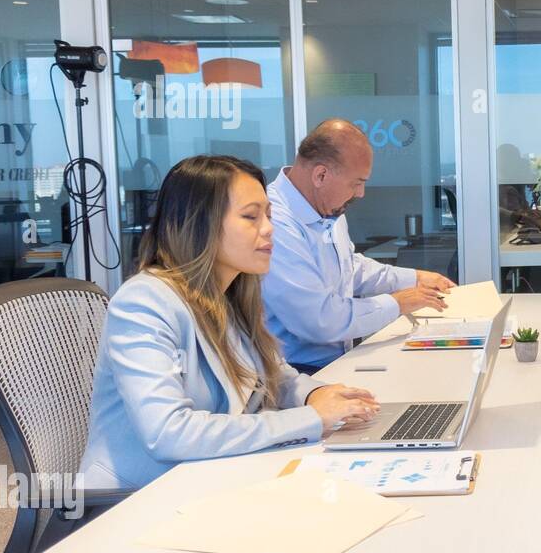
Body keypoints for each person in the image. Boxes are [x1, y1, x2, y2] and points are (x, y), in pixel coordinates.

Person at [81, 156, 381, 492]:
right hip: (141, 498)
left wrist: (316, 394)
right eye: (251, 216)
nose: (269, 228)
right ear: (199, 224)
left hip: (215, 478)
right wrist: (310, 419)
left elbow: (274, 376)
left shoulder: (229, 294)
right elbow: (169, 433)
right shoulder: (144, 303)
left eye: (267, 214)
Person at [262, 120, 456, 373]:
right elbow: (319, 320)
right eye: (356, 183)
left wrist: (414, 278)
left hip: (338, 360)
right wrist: (397, 302)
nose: (361, 193)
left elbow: (349, 268)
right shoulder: (274, 221)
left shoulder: (327, 208)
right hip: (295, 374)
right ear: (321, 175)